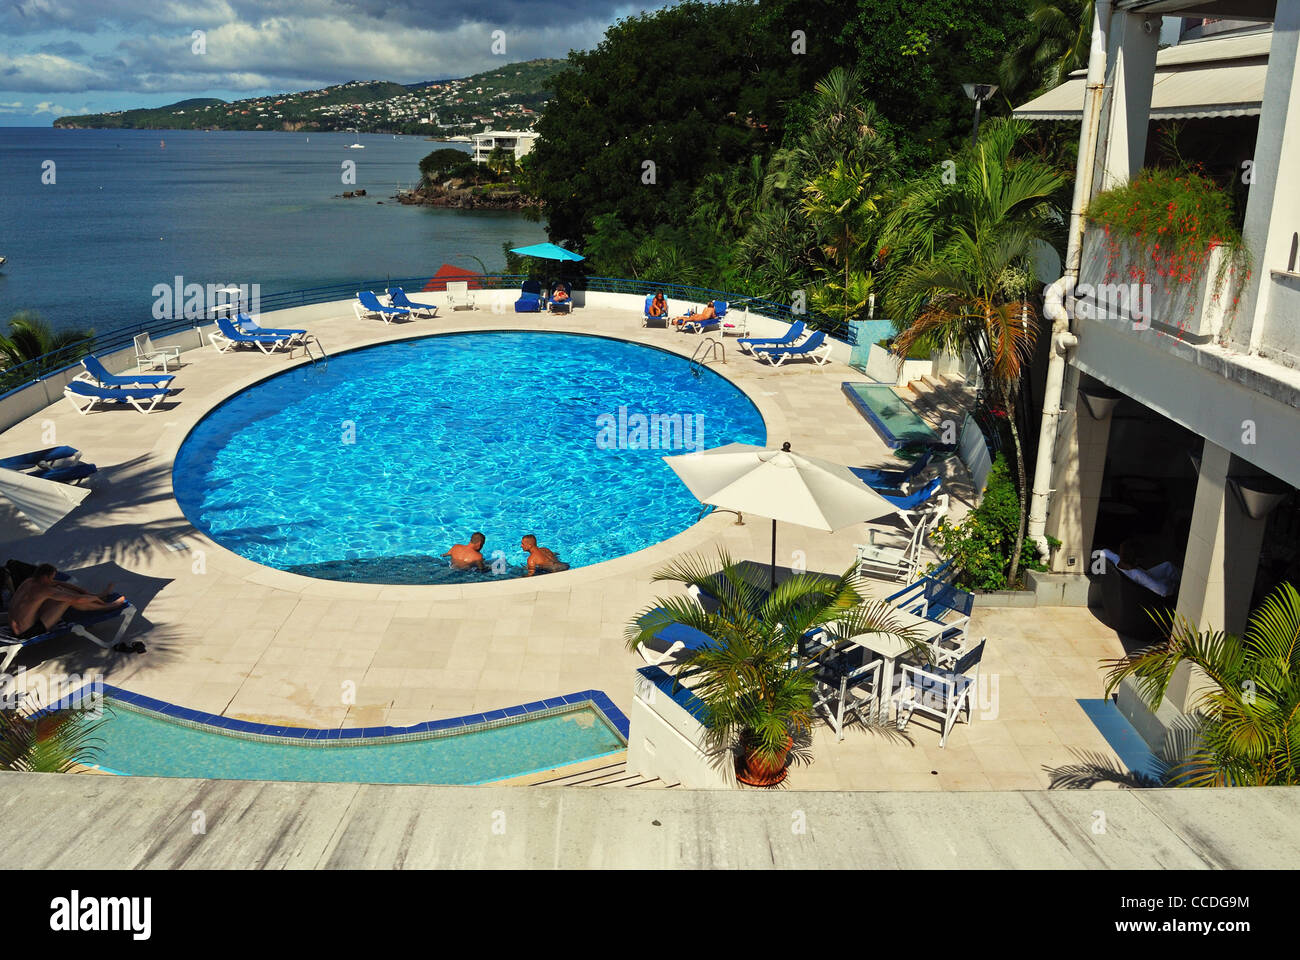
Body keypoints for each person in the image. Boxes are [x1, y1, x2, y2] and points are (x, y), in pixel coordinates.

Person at [5, 563, 126, 640]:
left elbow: (58, 584)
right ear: (46, 577)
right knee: (66, 601)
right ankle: (107, 606)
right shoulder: (44, 590)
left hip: (16, 626)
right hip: (28, 632)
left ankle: (100, 596)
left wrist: (90, 593)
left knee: (60, 589)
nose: (53, 580)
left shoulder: (29, 581)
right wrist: (95, 598)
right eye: (52, 577)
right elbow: (78, 599)